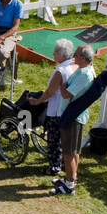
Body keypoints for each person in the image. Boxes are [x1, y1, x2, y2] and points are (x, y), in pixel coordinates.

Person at [28, 38, 76, 183]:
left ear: (62, 54)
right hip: (68, 109)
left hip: (56, 110)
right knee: (64, 141)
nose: (53, 54)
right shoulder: (74, 66)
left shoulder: (60, 71)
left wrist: (37, 101)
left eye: (55, 52)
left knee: (54, 141)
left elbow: (50, 92)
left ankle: (53, 167)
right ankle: (62, 164)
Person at [54, 43, 95, 196]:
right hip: (74, 115)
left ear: (83, 58)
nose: (73, 57)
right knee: (74, 151)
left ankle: (69, 185)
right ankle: (70, 178)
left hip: (72, 117)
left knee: (68, 152)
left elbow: (66, 94)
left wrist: (62, 86)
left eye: (76, 55)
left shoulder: (84, 74)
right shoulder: (84, 70)